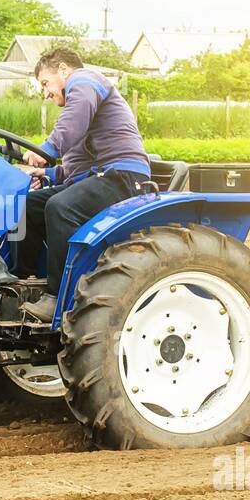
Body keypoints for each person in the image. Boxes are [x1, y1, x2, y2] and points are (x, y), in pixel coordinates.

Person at [15, 46, 151, 321]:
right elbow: (79, 163)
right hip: (99, 175)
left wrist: (47, 149)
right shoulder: (83, 101)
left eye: (45, 83)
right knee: (27, 204)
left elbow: (71, 125)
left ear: (63, 70)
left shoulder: (85, 81)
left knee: (60, 207)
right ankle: (18, 282)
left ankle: (58, 297)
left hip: (123, 176)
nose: (46, 93)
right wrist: (49, 175)